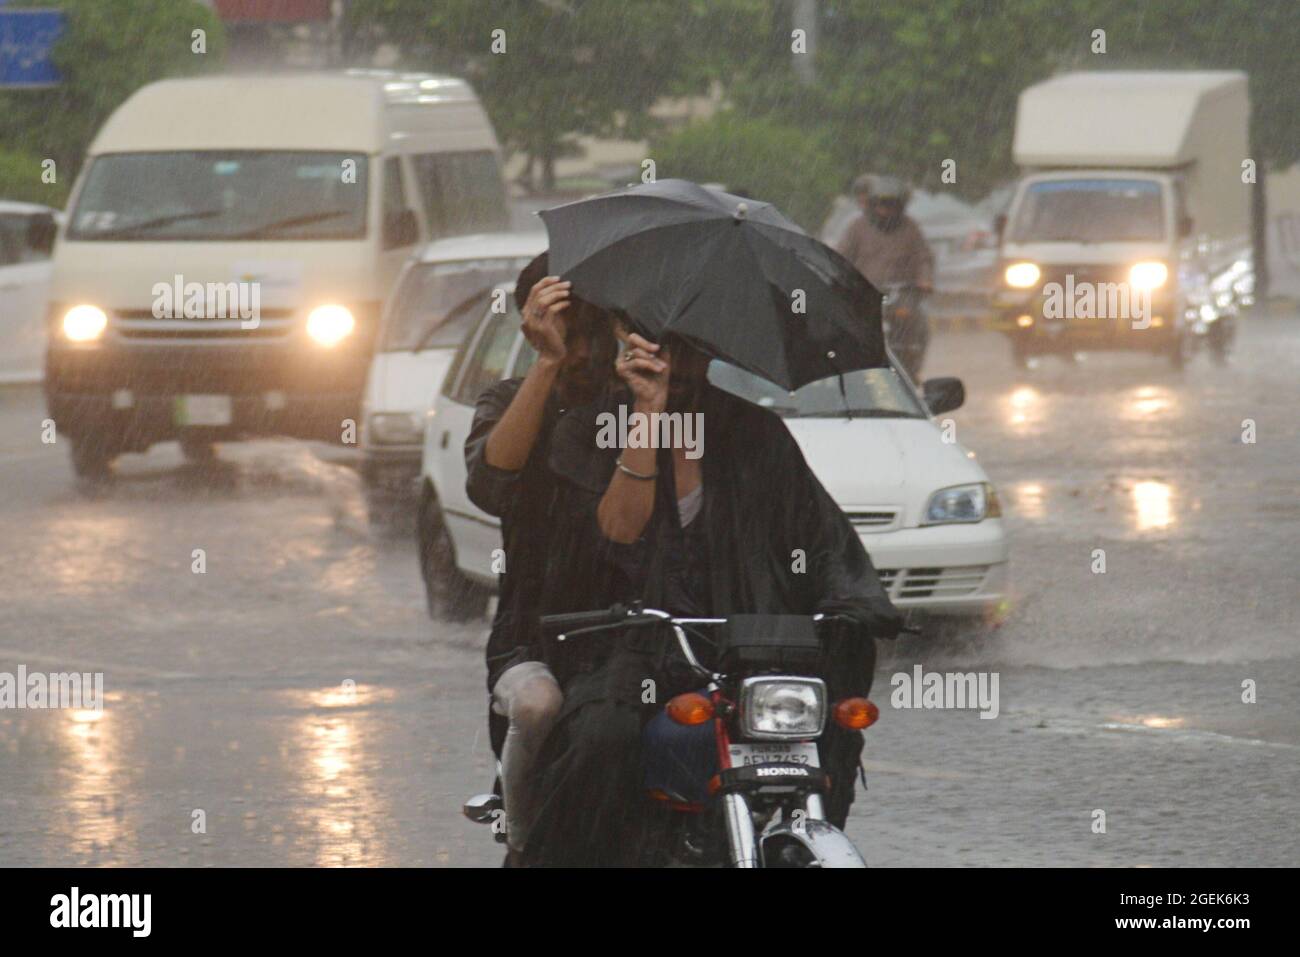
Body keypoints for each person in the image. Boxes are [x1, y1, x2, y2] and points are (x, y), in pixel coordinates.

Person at [520, 322, 902, 866]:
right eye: (660, 345)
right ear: (629, 344)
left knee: (828, 727)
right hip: (632, 640)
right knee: (602, 738)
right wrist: (647, 416)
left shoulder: (754, 431)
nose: (675, 362)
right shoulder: (590, 427)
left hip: (745, 641)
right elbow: (617, 531)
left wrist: (855, 601)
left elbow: (817, 533)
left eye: (690, 347)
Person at [463, 254, 618, 863]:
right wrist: (548, 364)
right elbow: (490, 483)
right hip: (533, 634)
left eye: (587, 332)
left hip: (631, 630)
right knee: (538, 704)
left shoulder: (634, 402)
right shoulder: (508, 399)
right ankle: (526, 844)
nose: (579, 350)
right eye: (562, 332)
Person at [836, 174, 934, 292]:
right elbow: (842, 257)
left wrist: (925, 279)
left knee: (916, 310)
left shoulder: (910, 227)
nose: (885, 210)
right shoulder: (857, 227)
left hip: (903, 295)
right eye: (881, 204)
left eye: (891, 204)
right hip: (865, 294)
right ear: (873, 204)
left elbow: (923, 257)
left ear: (900, 206)